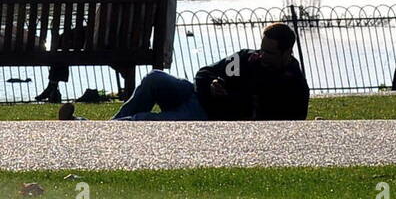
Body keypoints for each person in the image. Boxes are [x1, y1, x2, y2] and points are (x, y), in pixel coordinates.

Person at [58, 23, 309, 121]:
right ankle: (108, 127)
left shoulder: (292, 86)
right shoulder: (246, 58)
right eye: (262, 49)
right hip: (197, 95)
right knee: (154, 78)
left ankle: (86, 127)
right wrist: (212, 83)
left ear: (287, 54)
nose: (262, 55)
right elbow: (206, 71)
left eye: (270, 53)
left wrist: (227, 98)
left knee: (145, 120)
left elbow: (269, 117)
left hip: (207, 113)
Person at [35, 0, 177, 104]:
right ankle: (128, 85)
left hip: (106, 40)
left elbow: (102, 16)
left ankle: (53, 86)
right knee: (112, 48)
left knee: (63, 39)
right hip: (138, 43)